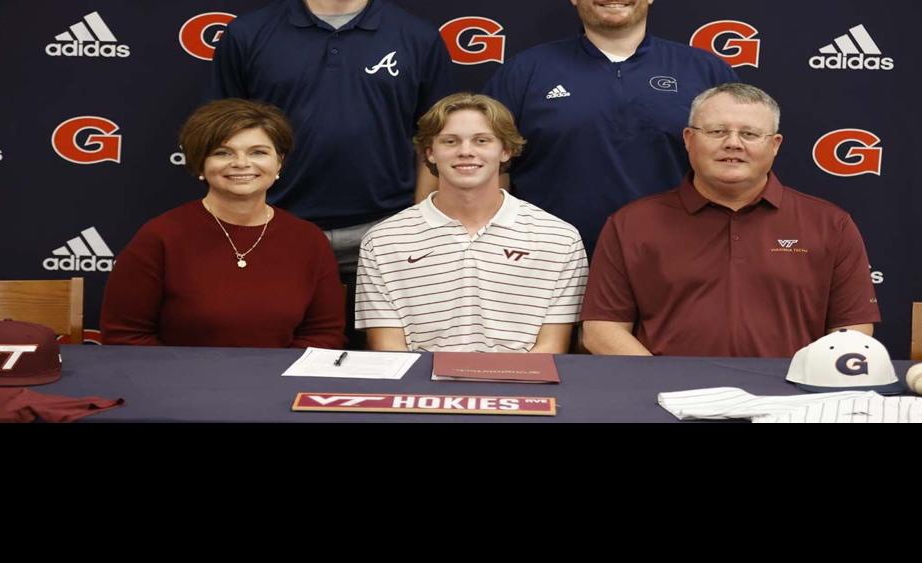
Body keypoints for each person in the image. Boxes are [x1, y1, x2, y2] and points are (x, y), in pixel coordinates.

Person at [211, 0, 455, 347]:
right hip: (275, 227)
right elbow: (221, 136)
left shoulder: (417, 36)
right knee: (265, 364)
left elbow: (436, 140)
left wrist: (415, 225)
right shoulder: (248, 34)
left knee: (389, 365)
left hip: (385, 231)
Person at [581, 83, 880, 357]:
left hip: (790, 403)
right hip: (665, 404)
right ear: (688, 139)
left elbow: (852, 333)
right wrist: (664, 386)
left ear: (775, 145)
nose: (733, 144)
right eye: (716, 132)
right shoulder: (631, 224)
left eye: (749, 134)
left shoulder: (830, 225)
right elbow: (601, 330)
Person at [482, 0, 738, 255]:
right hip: (549, 261)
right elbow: (489, 169)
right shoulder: (524, 72)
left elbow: (742, 166)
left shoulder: (706, 72)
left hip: (679, 259)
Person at [101, 99, 346, 348]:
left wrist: (275, 381)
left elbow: (323, 335)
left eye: (258, 152)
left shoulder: (308, 239)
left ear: (279, 162)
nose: (241, 163)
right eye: (222, 153)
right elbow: (126, 336)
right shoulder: (160, 237)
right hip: (180, 384)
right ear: (200, 163)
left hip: (278, 384)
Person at [355, 93, 588, 353]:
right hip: (420, 390)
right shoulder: (383, 241)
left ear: (505, 151)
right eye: (450, 141)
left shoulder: (559, 239)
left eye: (482, 141)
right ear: (430, 153)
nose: (466, 151)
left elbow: (552, 349)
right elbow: (389, 351)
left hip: (521, 388)